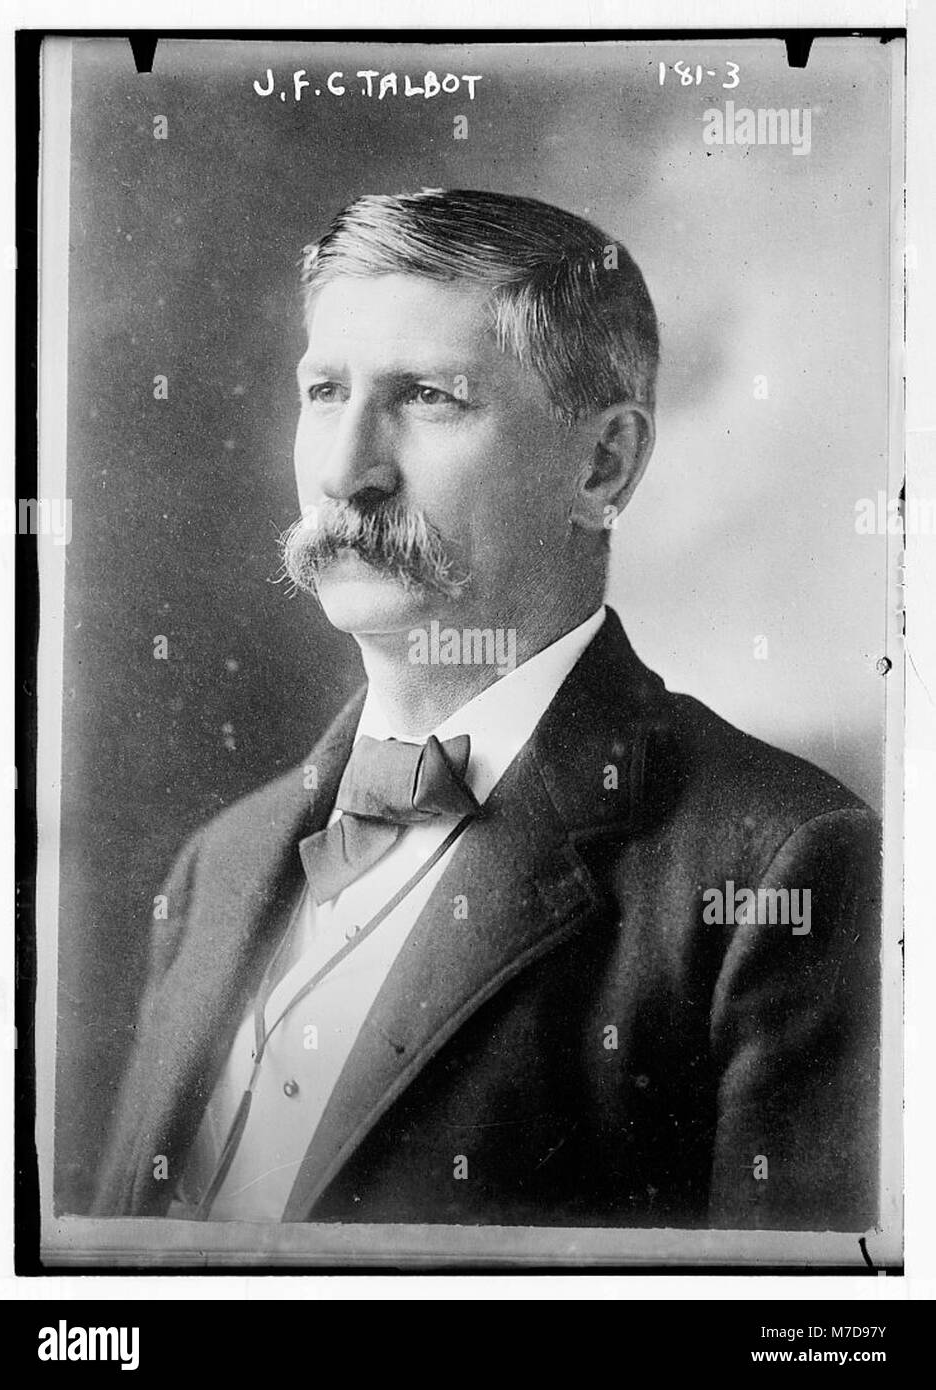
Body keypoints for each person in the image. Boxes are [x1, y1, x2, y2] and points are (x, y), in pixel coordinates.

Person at [93, 188, 880, 1230]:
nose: (344, 472)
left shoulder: (780, 865)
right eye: (325, 392)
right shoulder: (219, 865)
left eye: (428, 396)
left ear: (604, 463)